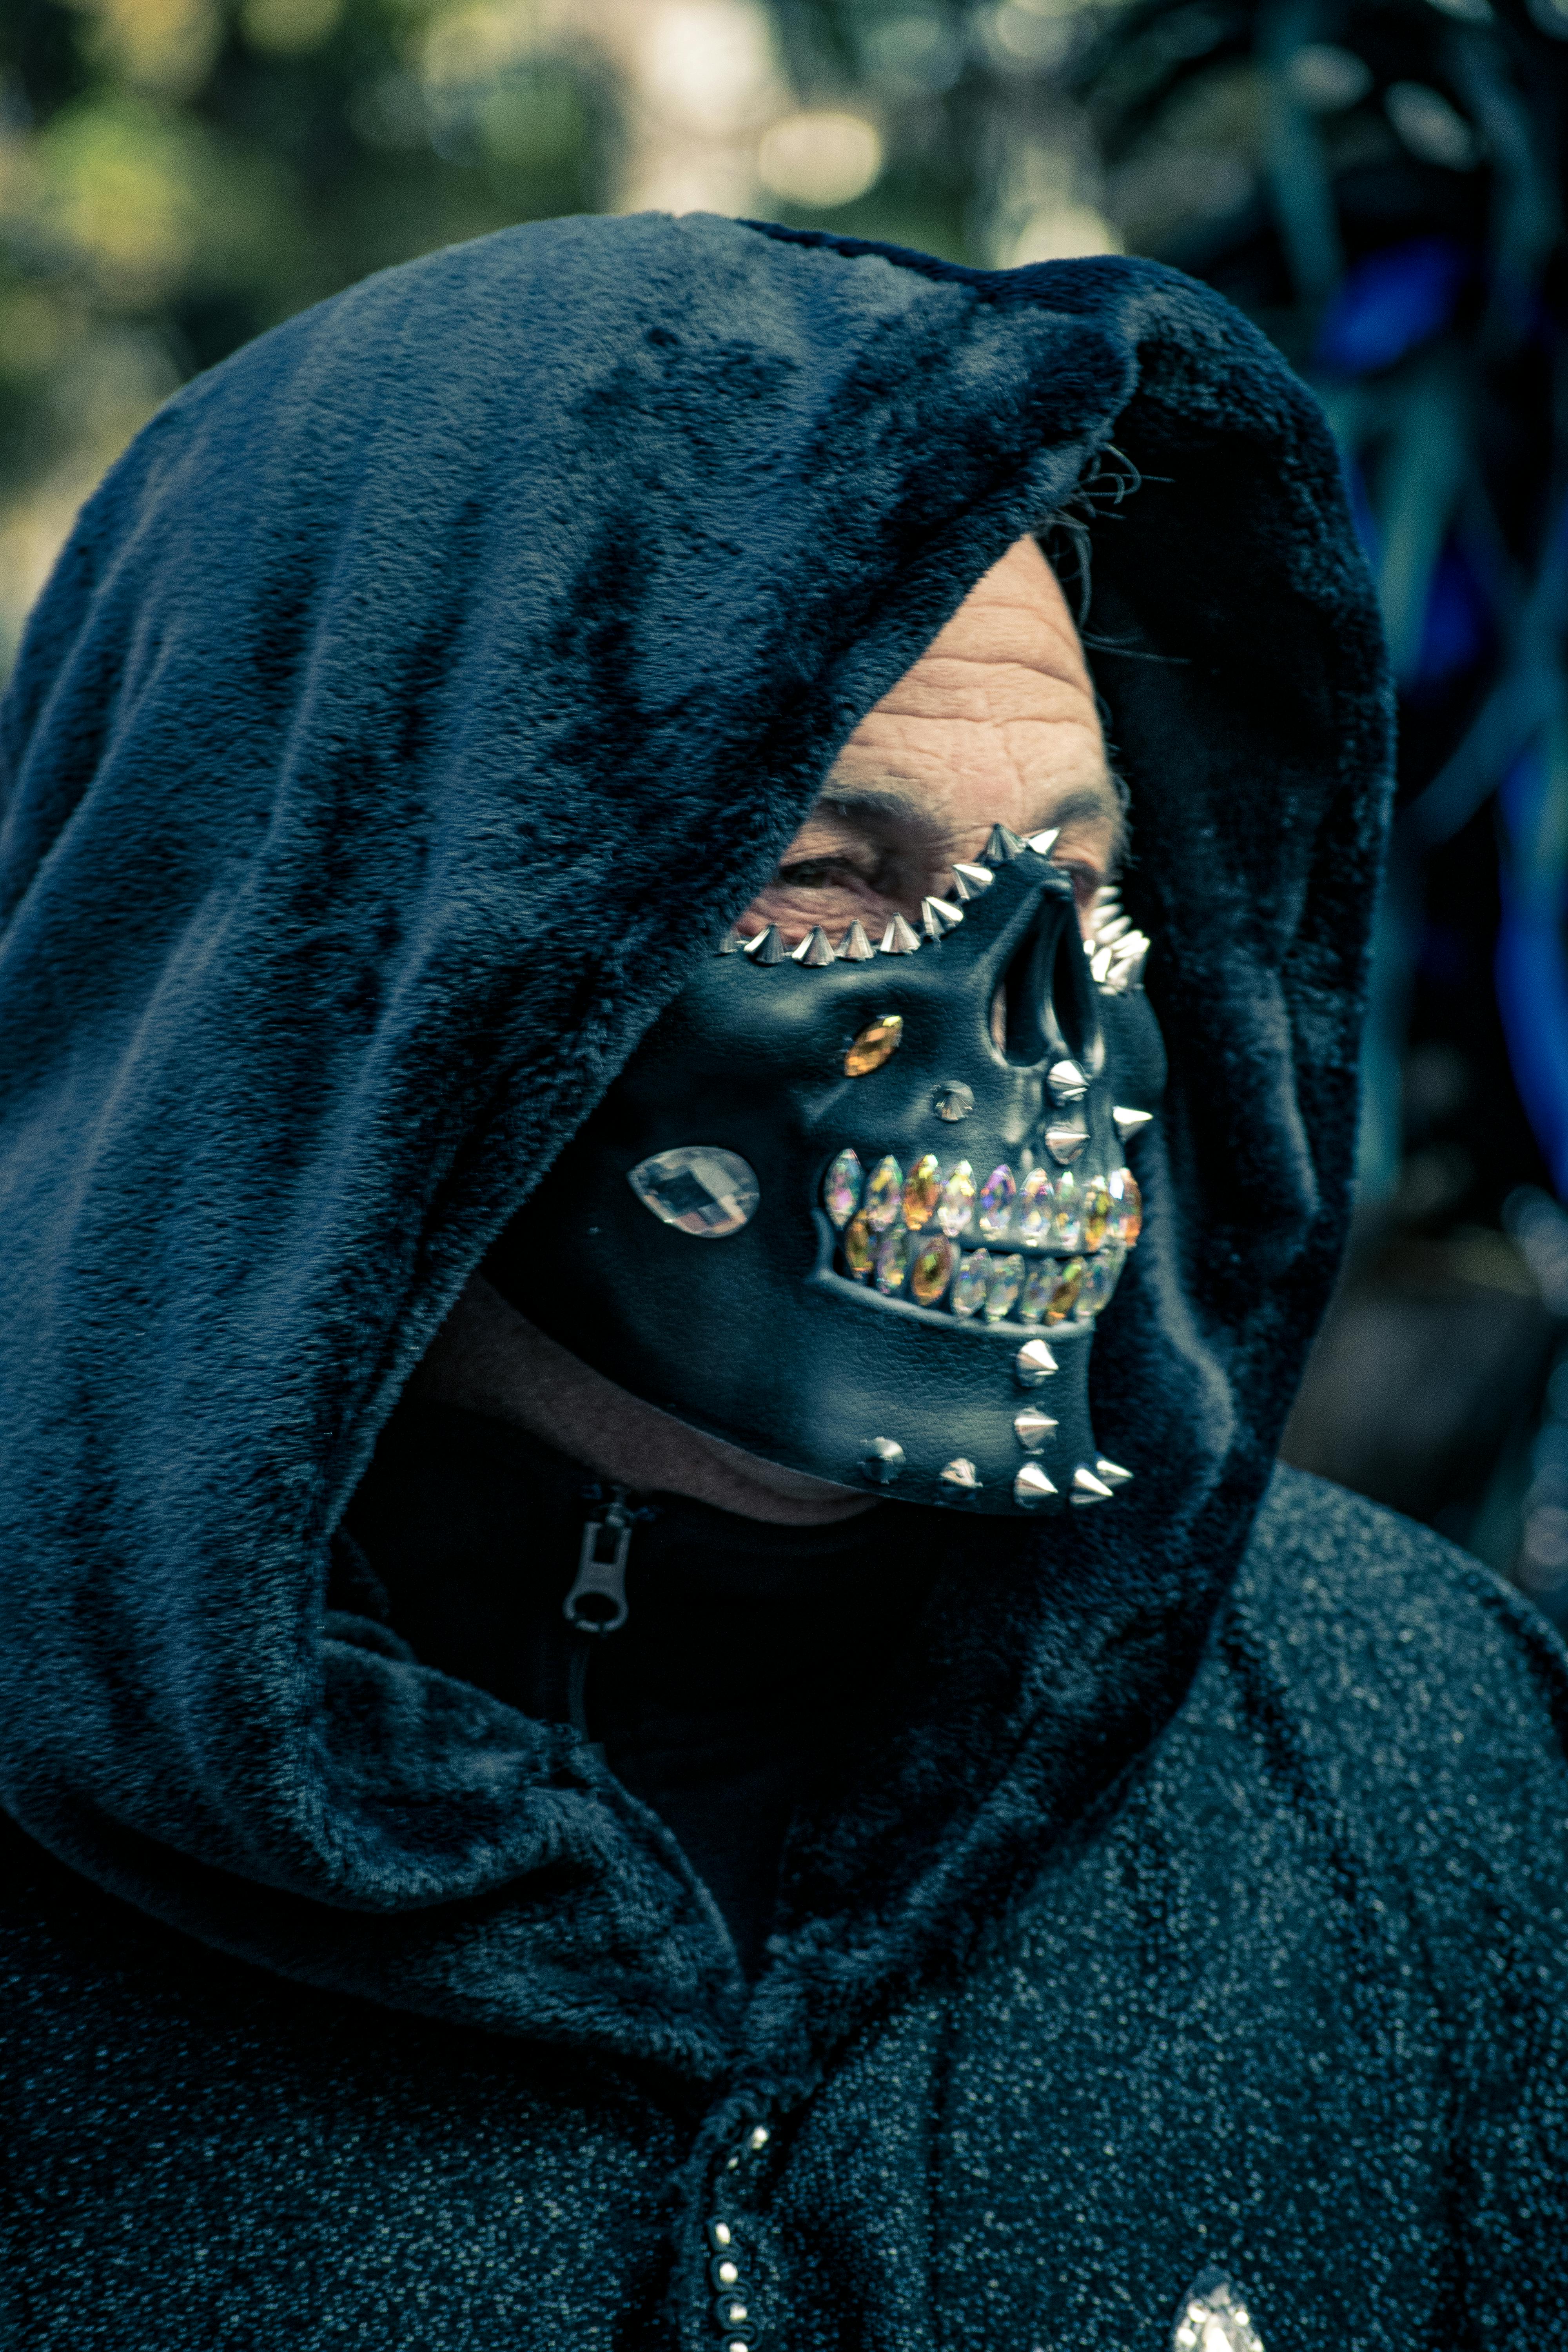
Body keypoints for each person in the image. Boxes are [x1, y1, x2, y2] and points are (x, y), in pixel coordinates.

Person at [0, 212, 1564, 2349]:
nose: (1052, 1031)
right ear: (333, 928)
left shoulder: (1433, 1760)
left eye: (1086, 888)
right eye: (831, 876)